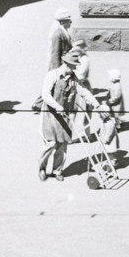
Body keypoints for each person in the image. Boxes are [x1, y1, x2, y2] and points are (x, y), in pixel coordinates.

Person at [39, 47, 98, 181]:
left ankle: (57, 170)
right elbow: (45, 95)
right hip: (50, 114)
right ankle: (42, 167)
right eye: (73, 67)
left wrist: (97, 104)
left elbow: (83, 91)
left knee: (63, 144)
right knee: (50, 143)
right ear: (66, 64)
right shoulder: (52, 75)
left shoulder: (73, 79)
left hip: (64, 115)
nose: (74, 70)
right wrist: (57, 106)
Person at [48, 8, 75, 73]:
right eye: (68, 20)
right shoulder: (58, 34)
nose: (71, 22)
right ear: (62, 22)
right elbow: (55, 54)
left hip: (66, 65)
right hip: (60, 67)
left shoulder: (65, 32)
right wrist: (56, 71)